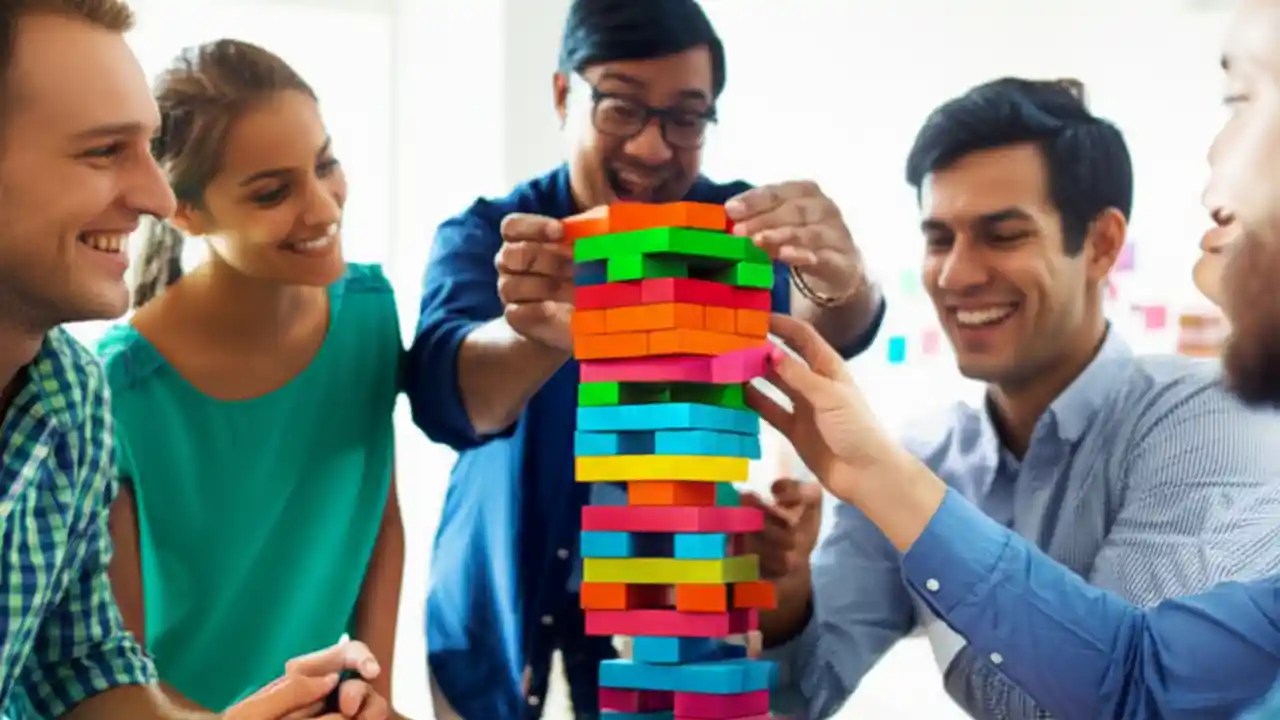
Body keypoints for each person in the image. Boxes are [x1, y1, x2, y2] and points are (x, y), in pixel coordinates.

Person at [406, 0, 887, 716]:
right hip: (495, 627)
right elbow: (453, 394)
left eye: (686, 118)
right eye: (623, 109)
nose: (654, 147)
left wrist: (844, 278)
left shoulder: (727, 233)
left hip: (674, 617)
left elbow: (820, 326)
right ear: (564, 92)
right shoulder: (491, 231)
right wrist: (539, 329)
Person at [750, 76, 1280, 720]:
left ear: (1103, 244)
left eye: (1002, 236)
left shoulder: (1208, 421)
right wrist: (783, 600)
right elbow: (802, 691)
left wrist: (886, 481)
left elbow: (1131, 696)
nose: (956, 274)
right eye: (939, 237)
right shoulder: (926, 455)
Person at [0, 2, 392, 719]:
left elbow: (84, 668)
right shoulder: (122, 381)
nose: (154, 196)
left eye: (148, 149)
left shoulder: (71, 395)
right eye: (102, 151)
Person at [92, 37, 408, 717]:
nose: (323, 207)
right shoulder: (118, 389)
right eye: (273, 192)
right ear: (184, 211)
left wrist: (372, 694)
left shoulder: (370, 316)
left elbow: (379, 516)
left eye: (325, 164)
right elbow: (113, 668)